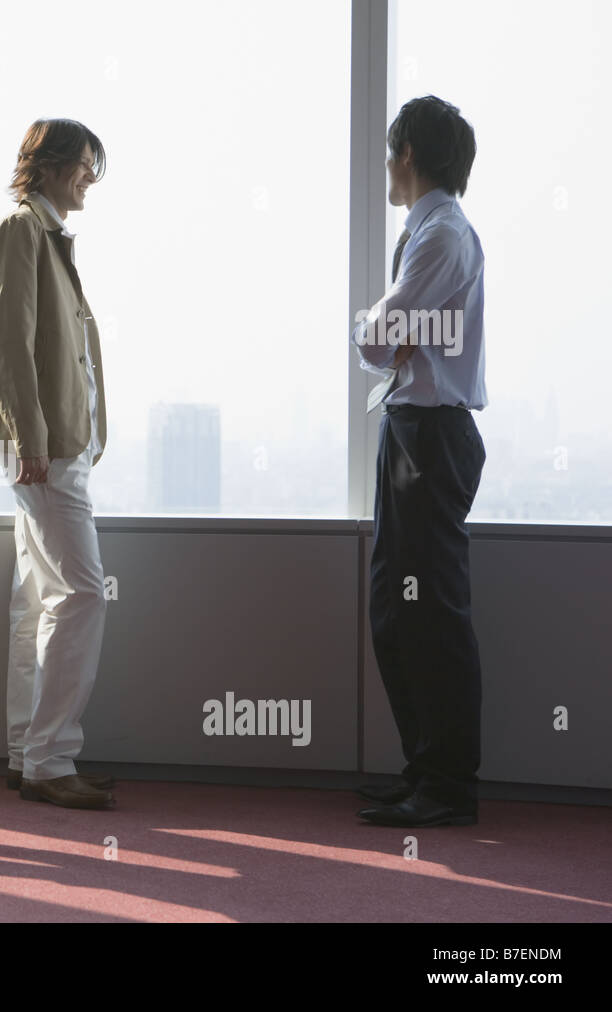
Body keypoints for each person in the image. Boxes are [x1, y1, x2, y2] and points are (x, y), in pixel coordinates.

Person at [0, 119, 115, 810]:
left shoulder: (48, 239)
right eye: (82, 164)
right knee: (82, 594)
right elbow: (9, 344)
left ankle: (28, 754)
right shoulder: (22, 235)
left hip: (57, 448)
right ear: (47, 167)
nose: (89, 176)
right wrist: (30, 442)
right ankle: (52, 759)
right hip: (46, 453)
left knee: (33, 604)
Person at [352, 95, 486, 828]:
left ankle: (447, 786)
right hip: (411, 430)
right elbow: (388, 337)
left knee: (429, 612)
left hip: (430, 438)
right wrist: (382, 329)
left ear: (407, 154)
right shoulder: (429, 234)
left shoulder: (441, 237)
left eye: (387, 148)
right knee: (394, 611)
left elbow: (378, 341)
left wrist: (371, 327)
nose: (384, 162)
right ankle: (424, 768)